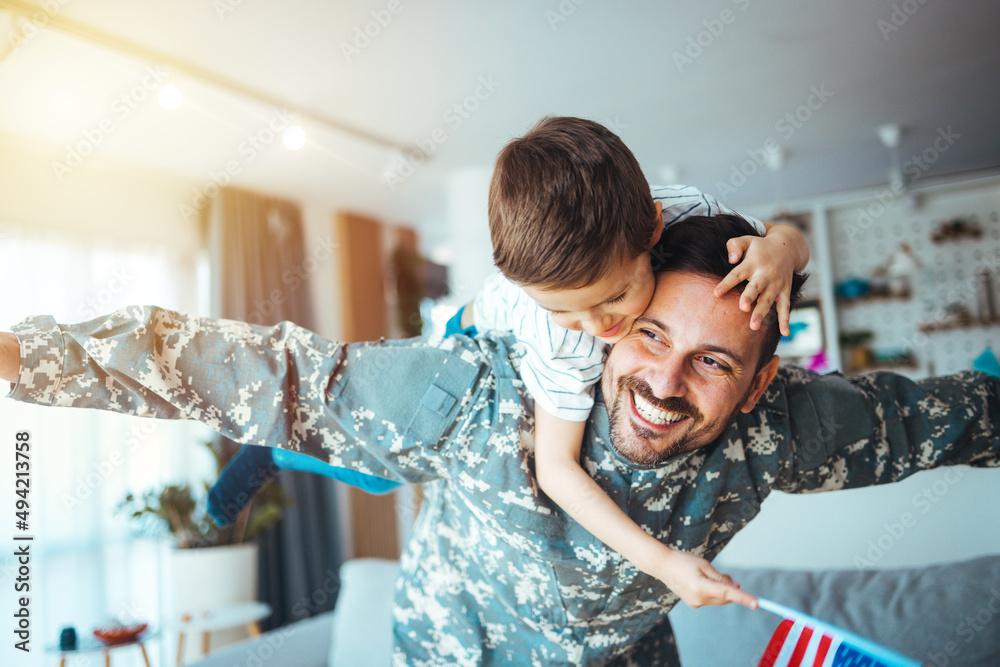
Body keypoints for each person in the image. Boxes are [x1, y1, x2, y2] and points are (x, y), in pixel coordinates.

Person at [1, 214, 997, 666]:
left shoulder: (780, 429)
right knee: (308, 435)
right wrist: (18, 357)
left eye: (710, 362)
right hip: (449, 650)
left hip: (622, 658)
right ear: (612, 319)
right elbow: (254, 368)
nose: (663, 384)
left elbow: (945, 417)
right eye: (651, 336)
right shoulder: (475, 391)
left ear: (759, 384)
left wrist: (787, 236)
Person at [210, 117, 810, 611]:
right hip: (472, 332)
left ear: (653, 226)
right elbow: (557, 468)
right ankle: (277, 450)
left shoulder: (691, 211)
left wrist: (780, 251)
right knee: (387, 465)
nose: (597, 326)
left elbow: (788, 235)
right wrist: (662, 562)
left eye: (615, 297)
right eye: (565, 308)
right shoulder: (563, 340)